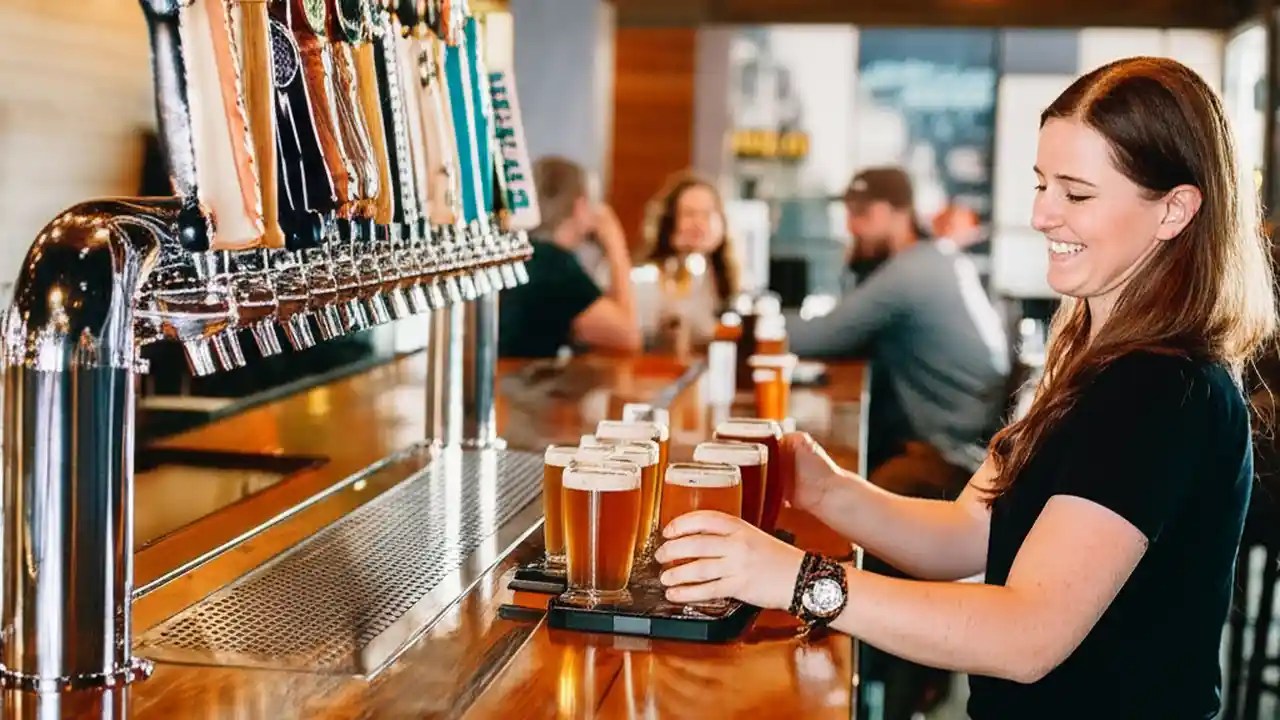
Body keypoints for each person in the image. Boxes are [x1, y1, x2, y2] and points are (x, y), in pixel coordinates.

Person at [657, 56, 1277, 720]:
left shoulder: (1163, 387)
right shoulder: (1093, 352)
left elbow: (1026, 636)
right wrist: (825, 487)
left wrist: (796, 580)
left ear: (1175, 211)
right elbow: (966, 533)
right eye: (1041, 185)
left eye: (1076, 193)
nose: (1042, 214)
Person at [790, 166, 1010, 499]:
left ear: (896, 214)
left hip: (949, 450)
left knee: (829, 483)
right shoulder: (934, 256)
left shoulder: (909, 273)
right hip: (966, 431)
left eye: (861, 214)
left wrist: (745, 324)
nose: (851, 226)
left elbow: (824, 335)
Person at [498, 156, 641, 358]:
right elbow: (627, 336)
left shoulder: (523, 252)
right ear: (580, 207)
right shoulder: (553, 264)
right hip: (518, 384)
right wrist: (616, 244)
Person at [638, 172, 743, 348]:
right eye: (689, 214)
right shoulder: (649, 277)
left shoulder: (724, 277)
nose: (698, 223)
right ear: (670, 222)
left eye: (707, 214)